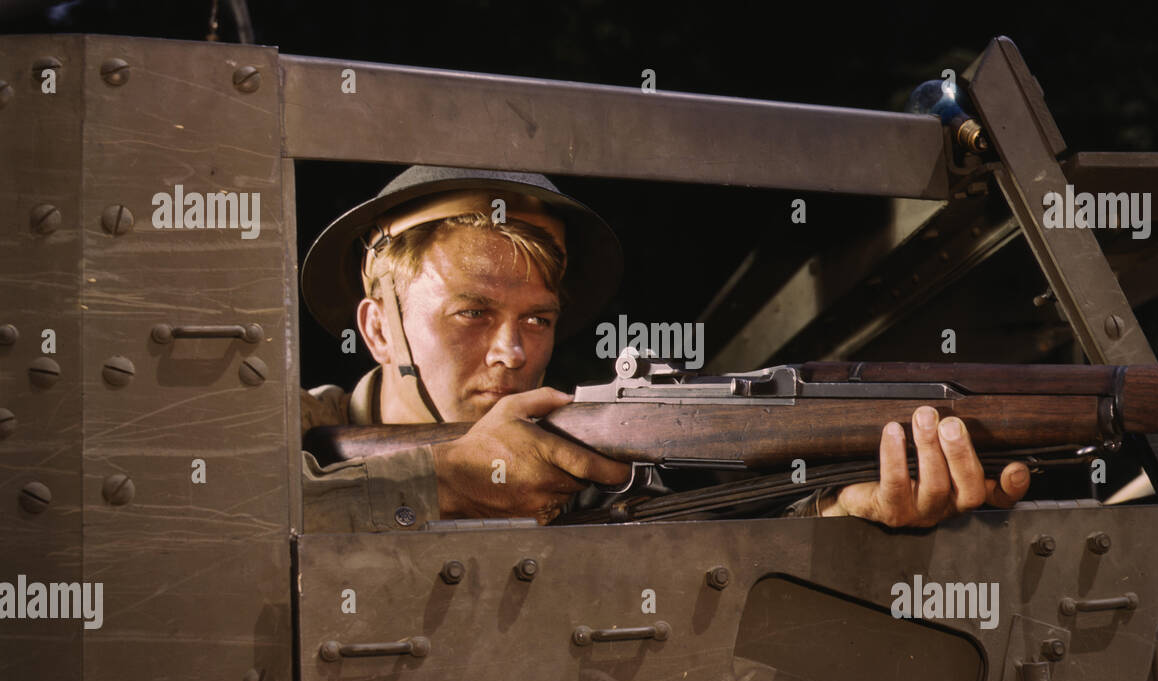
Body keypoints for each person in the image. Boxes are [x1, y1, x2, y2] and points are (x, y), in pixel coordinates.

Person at [298, 166, 1030, 531]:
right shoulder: (278, 437)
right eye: (472, 313)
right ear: (379, 328)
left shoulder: (589, 453)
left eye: (539, 319)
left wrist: (842, 525)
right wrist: (445, 481)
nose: (512, 352)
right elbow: (209, 542)